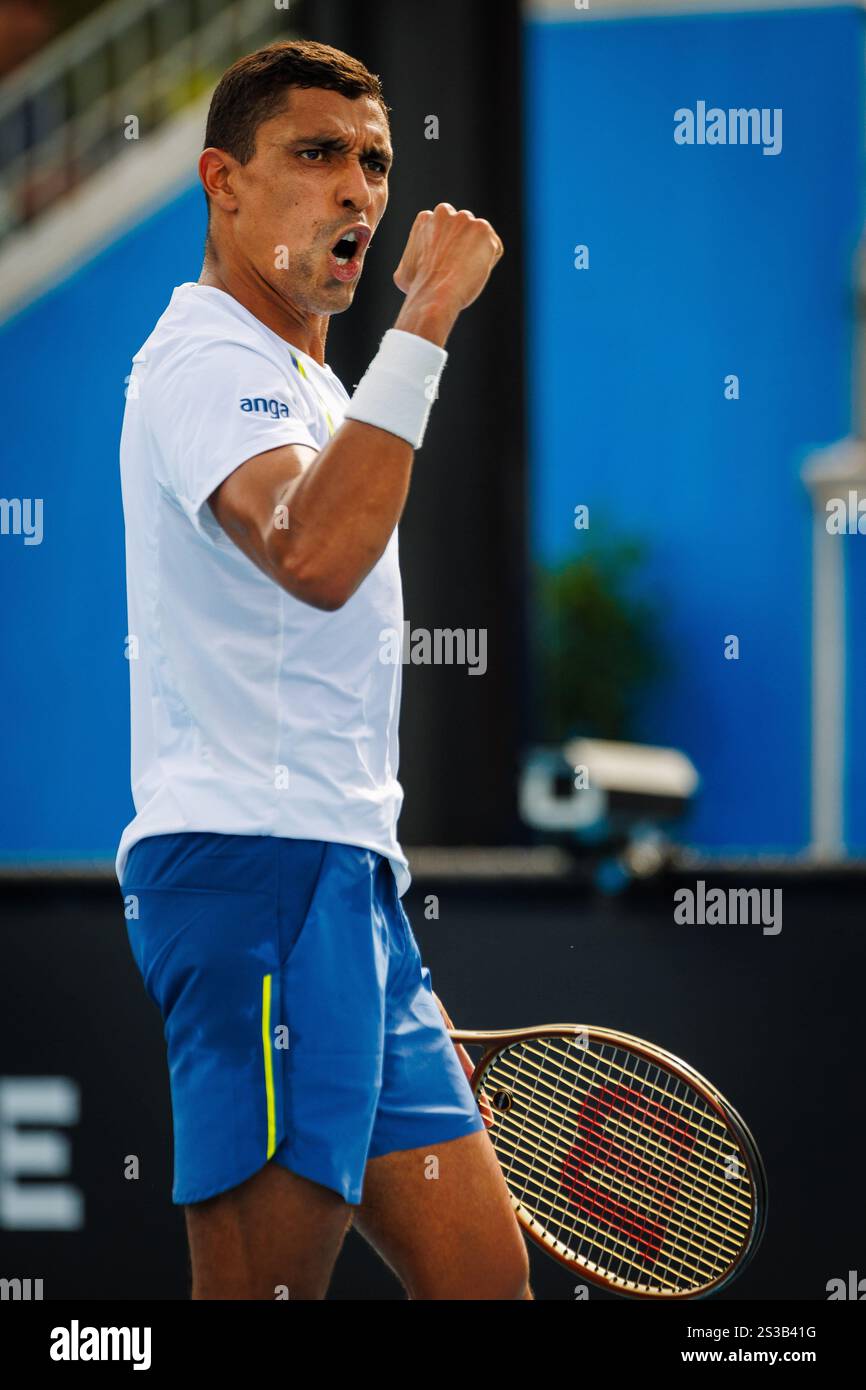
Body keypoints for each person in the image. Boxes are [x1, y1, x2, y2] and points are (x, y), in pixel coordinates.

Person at [117, 38, 531, 1301]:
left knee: (484, 1286)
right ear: (220, 184)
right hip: (251, 881)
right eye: (314, 155)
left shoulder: (307, 379)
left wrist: (372, 933)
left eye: (373, 163)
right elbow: (314, 553)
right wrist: (428, 316)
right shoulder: (203, 361)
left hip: (340, 893)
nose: (357, 190)